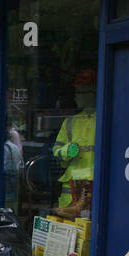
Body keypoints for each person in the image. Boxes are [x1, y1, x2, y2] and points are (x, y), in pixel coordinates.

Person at [52, 69, 97, 218]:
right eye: (76, 92)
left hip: (94, 184)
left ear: (92, 94)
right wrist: (66, 151)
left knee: (88, 227)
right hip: (72, 187)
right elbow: (56, 152)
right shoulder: (71, 121)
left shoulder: (104, 120)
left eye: (80, 92)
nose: (76, 97)